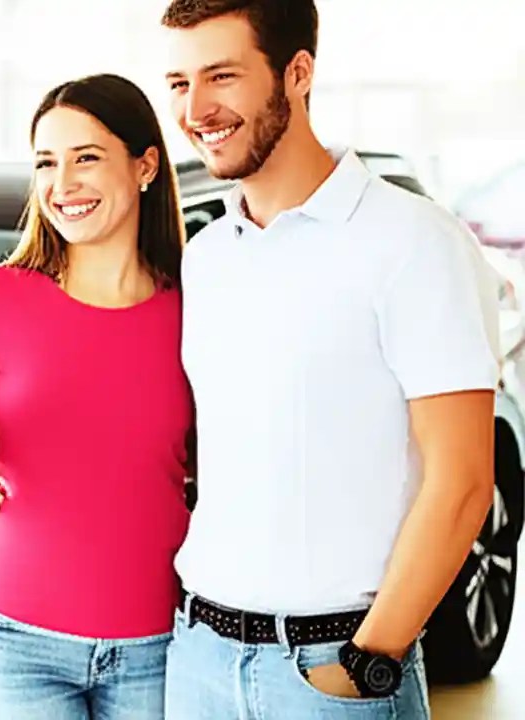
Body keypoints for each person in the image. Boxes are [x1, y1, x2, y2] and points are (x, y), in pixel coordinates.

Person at [157, 0, 497, 716]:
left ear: (298, 72)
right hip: (198, 661)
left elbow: (464, 482)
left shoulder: (414, 242)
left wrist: (367, 663)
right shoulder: (209, 256)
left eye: (222, 76)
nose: (195, 109)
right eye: (180, 83)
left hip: (333, 670)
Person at [0, 73, 193, 719]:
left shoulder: (196, 309)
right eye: (46, 162)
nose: (63, 183)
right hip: (16, 639)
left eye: (87, 158)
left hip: (159, 639)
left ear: (144, 166)